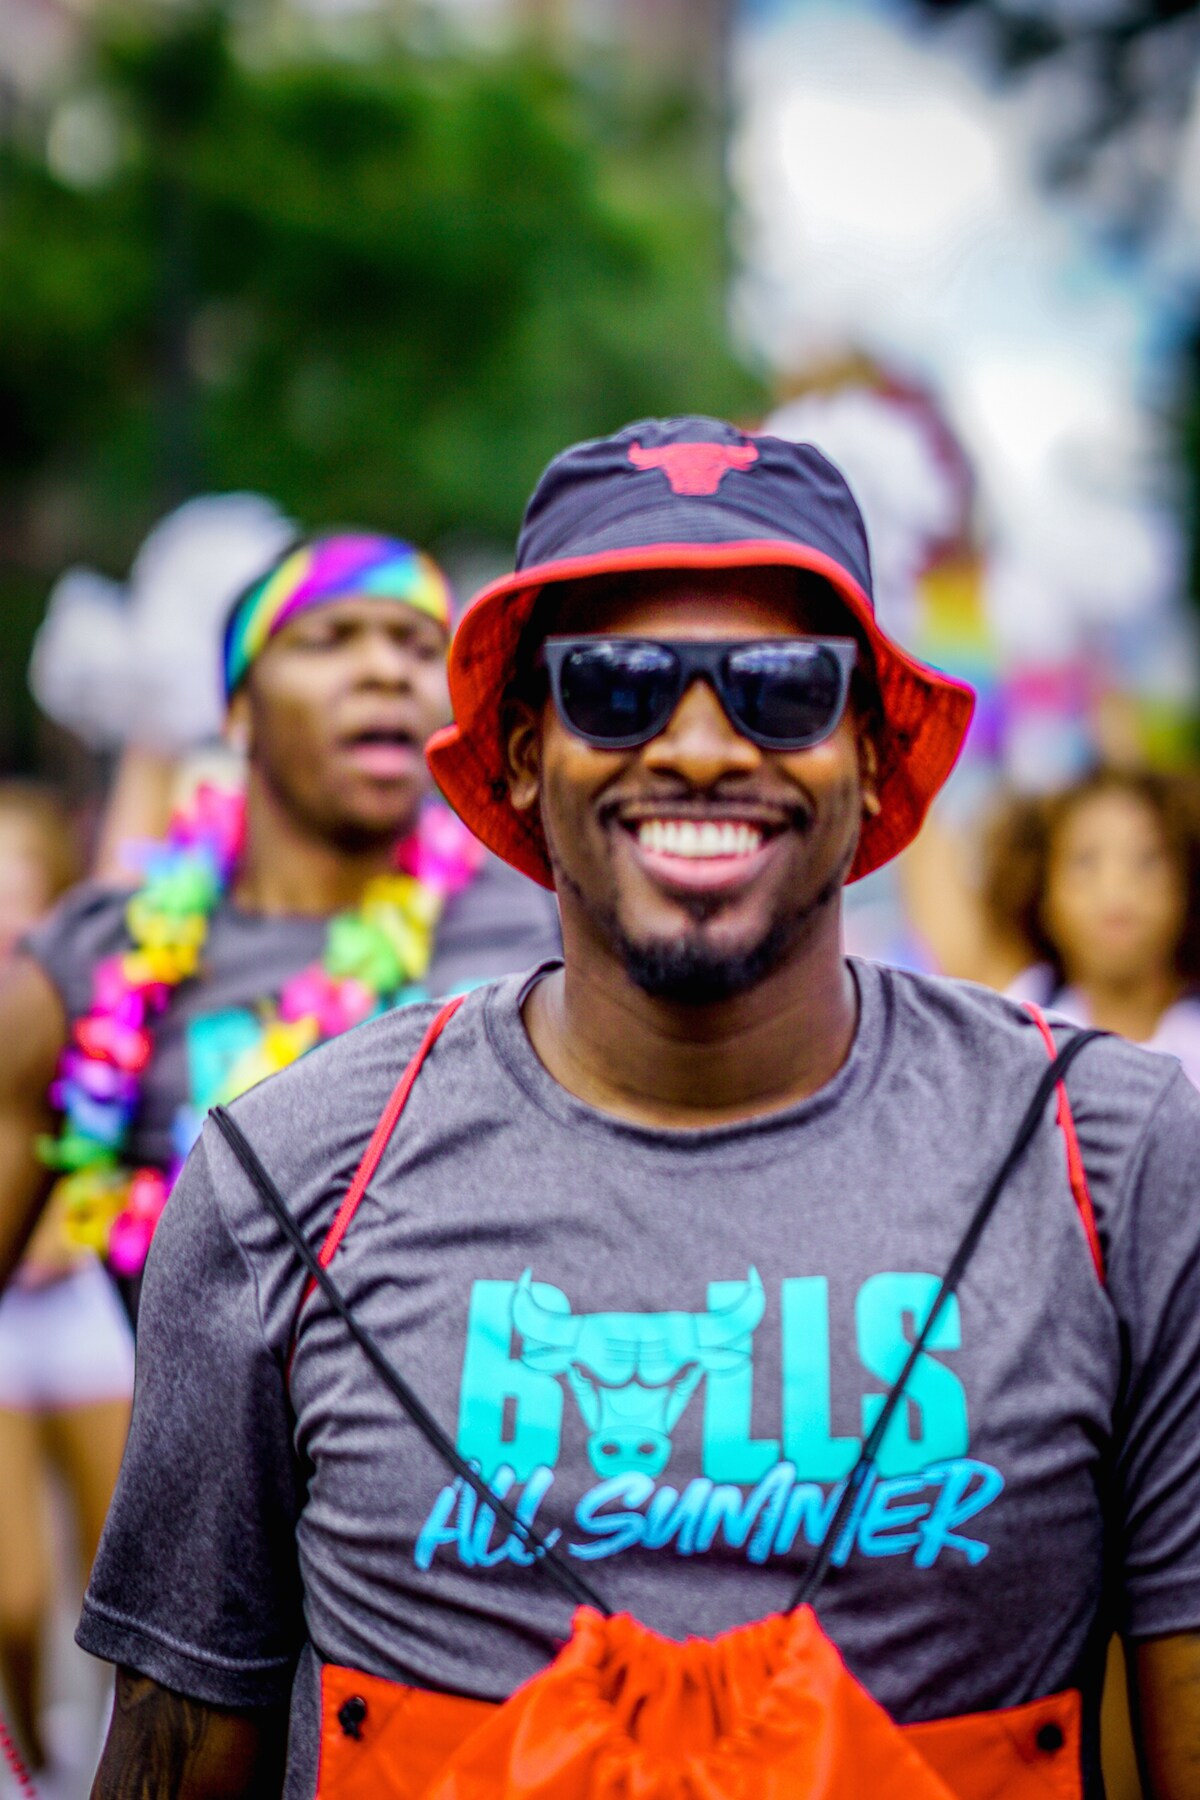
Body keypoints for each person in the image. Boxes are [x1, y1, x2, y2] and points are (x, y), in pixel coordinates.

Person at [79, 420, 1200, 1800]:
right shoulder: (286, 1178)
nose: (700, 744)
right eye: (616, 686)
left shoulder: (1122, 1165)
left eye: (783, 685)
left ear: (871, 751)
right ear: (520, 753)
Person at [0, 531, 561, 1297]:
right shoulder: (98, 957)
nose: (385, 670)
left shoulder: (546, 920)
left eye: (420, 647)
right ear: (238, 712)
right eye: (330, 639)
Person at [0, 786, 134, 1796]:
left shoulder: (90, 986)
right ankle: (38, 1764)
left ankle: (115, 1765)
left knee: (123, 1580)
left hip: (85, 1304)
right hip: (8, 1326)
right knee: (13, 1595)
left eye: (19, 886)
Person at [983, 767, 1200, 1087]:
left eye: (1148, 859)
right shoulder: (1018, 1025)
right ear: (1043, 891)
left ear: (1186, 884)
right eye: (1086, 861)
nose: (1115, 887)